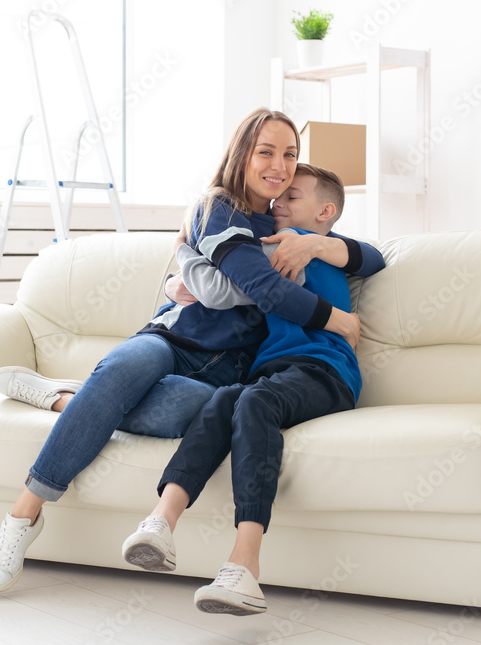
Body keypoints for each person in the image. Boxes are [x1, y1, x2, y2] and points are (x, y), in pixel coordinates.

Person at [0, 108, 371, 594]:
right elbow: (261, 289)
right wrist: (335, 317)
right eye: (266, 151)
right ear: (242, 154)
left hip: (228, 366)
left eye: (290, 154)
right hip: (176, 338)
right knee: (122, 371)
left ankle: (67, 398)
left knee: (183, 412)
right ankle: (24, 516)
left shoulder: (284, 219)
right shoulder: (218, 207)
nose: (280, 165)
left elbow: (368, 255)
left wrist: (317, 246)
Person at [121, 164, 378, 616]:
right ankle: (161, 521)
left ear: (326, 210)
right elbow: (213, 259)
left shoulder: (330, 250)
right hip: (272, 370)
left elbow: (374, 257)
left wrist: (316, 243)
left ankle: (245, 567)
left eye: (292, 197)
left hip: (326, 371)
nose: (279, 202)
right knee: (224, 399)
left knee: (255, 400)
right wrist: (180, 253)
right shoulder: (262, 249)